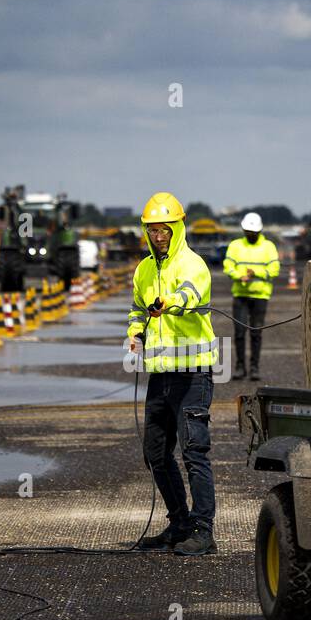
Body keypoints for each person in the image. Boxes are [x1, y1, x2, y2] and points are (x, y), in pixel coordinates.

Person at [126, 193, 219, 555]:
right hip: (160, 374)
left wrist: (172, 303)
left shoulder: (192, 263)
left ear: (177, 228)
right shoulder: (143, 269)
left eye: (164, 229)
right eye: (152, 230)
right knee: (155, 453)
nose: (158, 235)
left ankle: (203, 530)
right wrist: (135, 333)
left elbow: (191, 292)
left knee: (194, 451)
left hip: (192, 374)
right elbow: (136, 308)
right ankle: (179, 524)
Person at [222, 212, 280, 380]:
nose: (250, 234)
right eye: (248, 231)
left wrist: (256, 272)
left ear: (260, 231)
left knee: (256, 333)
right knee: (239, 333)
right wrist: (239, 276)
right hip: (240, 295)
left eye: (253, 232)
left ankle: (254, 368)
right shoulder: (235, 245)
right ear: (243, 230)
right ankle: (240, 367)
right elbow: (228, 266)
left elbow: (274, 269)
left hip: (261, 295)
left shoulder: (268, 247)